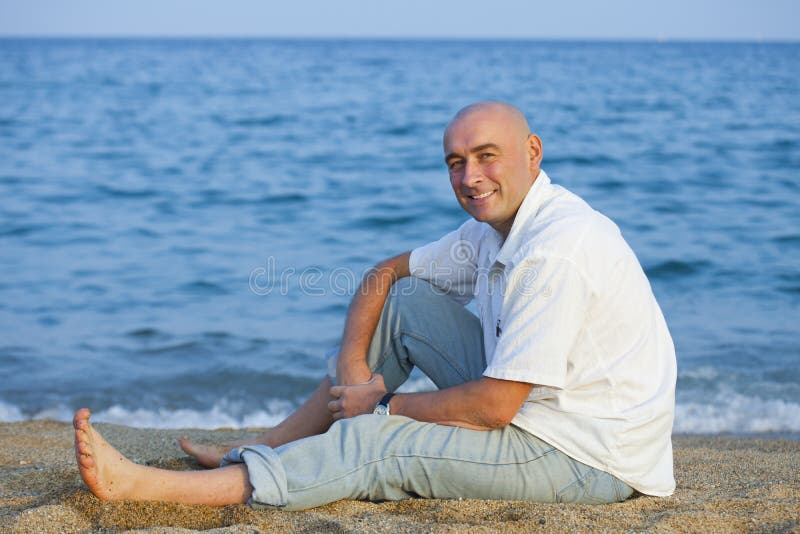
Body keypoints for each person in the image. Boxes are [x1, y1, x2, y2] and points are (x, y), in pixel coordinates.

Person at [74, 101, 677, 510]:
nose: (470, 177)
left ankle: (143, 485)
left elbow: (495, 406)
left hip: (588, 455)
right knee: (408, 299)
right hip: (542, 408)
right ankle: (273, 447)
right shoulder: (495, 228)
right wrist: (354, 371)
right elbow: (383, 274)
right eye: (455, 162)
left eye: (487, 156)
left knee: (375, 444)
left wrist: (382, 406)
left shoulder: (556, 249)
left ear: (533, 153)